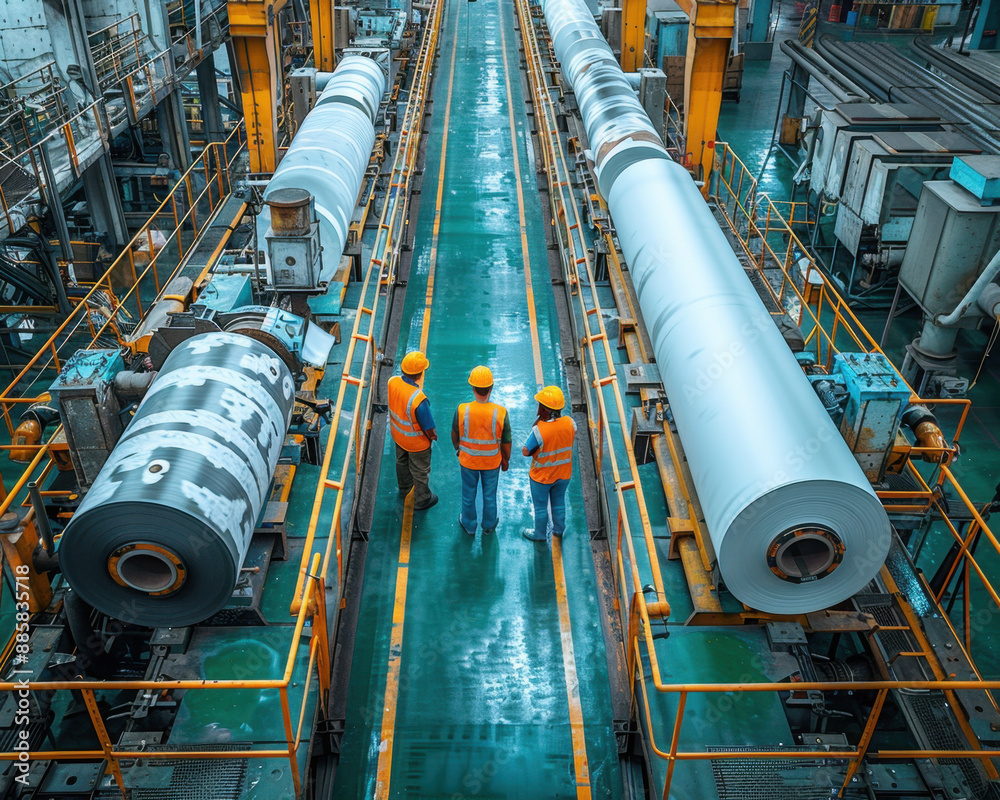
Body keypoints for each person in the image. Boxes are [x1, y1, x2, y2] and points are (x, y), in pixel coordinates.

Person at [452, 366, 511, 535]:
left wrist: (459, 449)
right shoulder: (500, 412)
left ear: (472, 387)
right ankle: (489, 525)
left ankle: (469, 525)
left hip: (468, 461)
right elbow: (507, 441)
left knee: (468, 495)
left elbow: (454, 434)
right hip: (492, 462)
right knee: (490, 496)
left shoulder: (462, 409)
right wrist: (505, 460)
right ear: (491, 388)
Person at [522, 385, 575, 541]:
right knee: (558, 503)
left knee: (540, 508)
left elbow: (526, 451)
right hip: (563, 475)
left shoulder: (539, 430)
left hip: (542, 478)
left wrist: (538, 421)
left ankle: (539, 534)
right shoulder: (570, 423)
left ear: (544, 410)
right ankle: (558, 530)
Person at [387, 350, 438, 510]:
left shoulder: (392, 381)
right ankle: (422, 499)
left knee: (401, 462)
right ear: (420, 374)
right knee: (420, 471)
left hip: (398, 435)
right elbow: (429, 428)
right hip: (417, 444)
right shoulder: (418, 399)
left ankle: (404, 488)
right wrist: (433, 437)